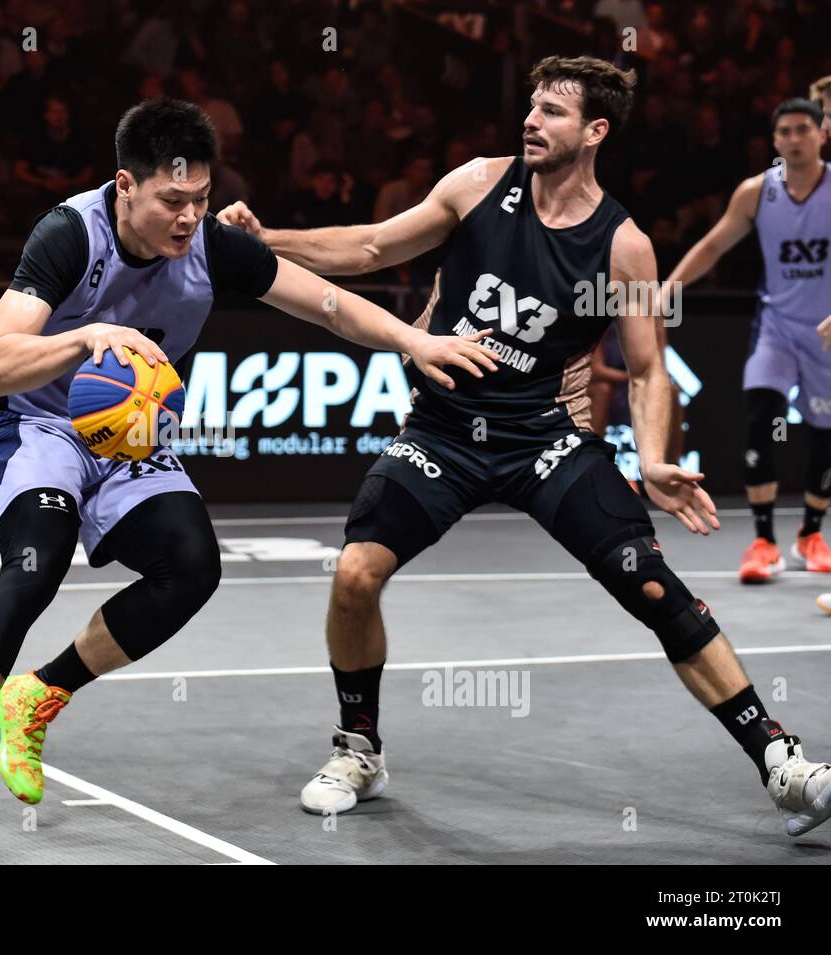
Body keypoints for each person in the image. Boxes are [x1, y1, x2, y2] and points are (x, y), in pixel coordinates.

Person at [218, 55, 831, 836]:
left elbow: (646, 368)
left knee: (648, 584)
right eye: (532, 106)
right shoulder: (478, 182)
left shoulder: (625, 247)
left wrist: (648, 457)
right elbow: (371, 248)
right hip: (443, 434)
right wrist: (268, 238)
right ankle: (358, 745)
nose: (531, 121)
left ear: (595, 130)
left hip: (544, 438)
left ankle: (779, 760)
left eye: (553, 112)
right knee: (354, 573)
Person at [0, 97, 498, 847]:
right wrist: (87, 338)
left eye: (201, 201)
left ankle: (42, 692)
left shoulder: (210, 248)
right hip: (42, 424)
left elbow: (331, 305)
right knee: (34, 564)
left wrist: (415, 340)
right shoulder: (66, 236)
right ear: (126, 187)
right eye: (172, 201)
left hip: (134, 434)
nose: (188, 217)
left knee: (192, 565)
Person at [664, 99, 831, 582]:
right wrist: (671, 286)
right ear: (775, 140)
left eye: (803, 129)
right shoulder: (757, 193)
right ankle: (762, 543)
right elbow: (714, 244)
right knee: (760, 417)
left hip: (825, 335)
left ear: (821, 135)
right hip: (776, 327)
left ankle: (811, 534)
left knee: (824, 437)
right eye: (785, 131)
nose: (794, 138)